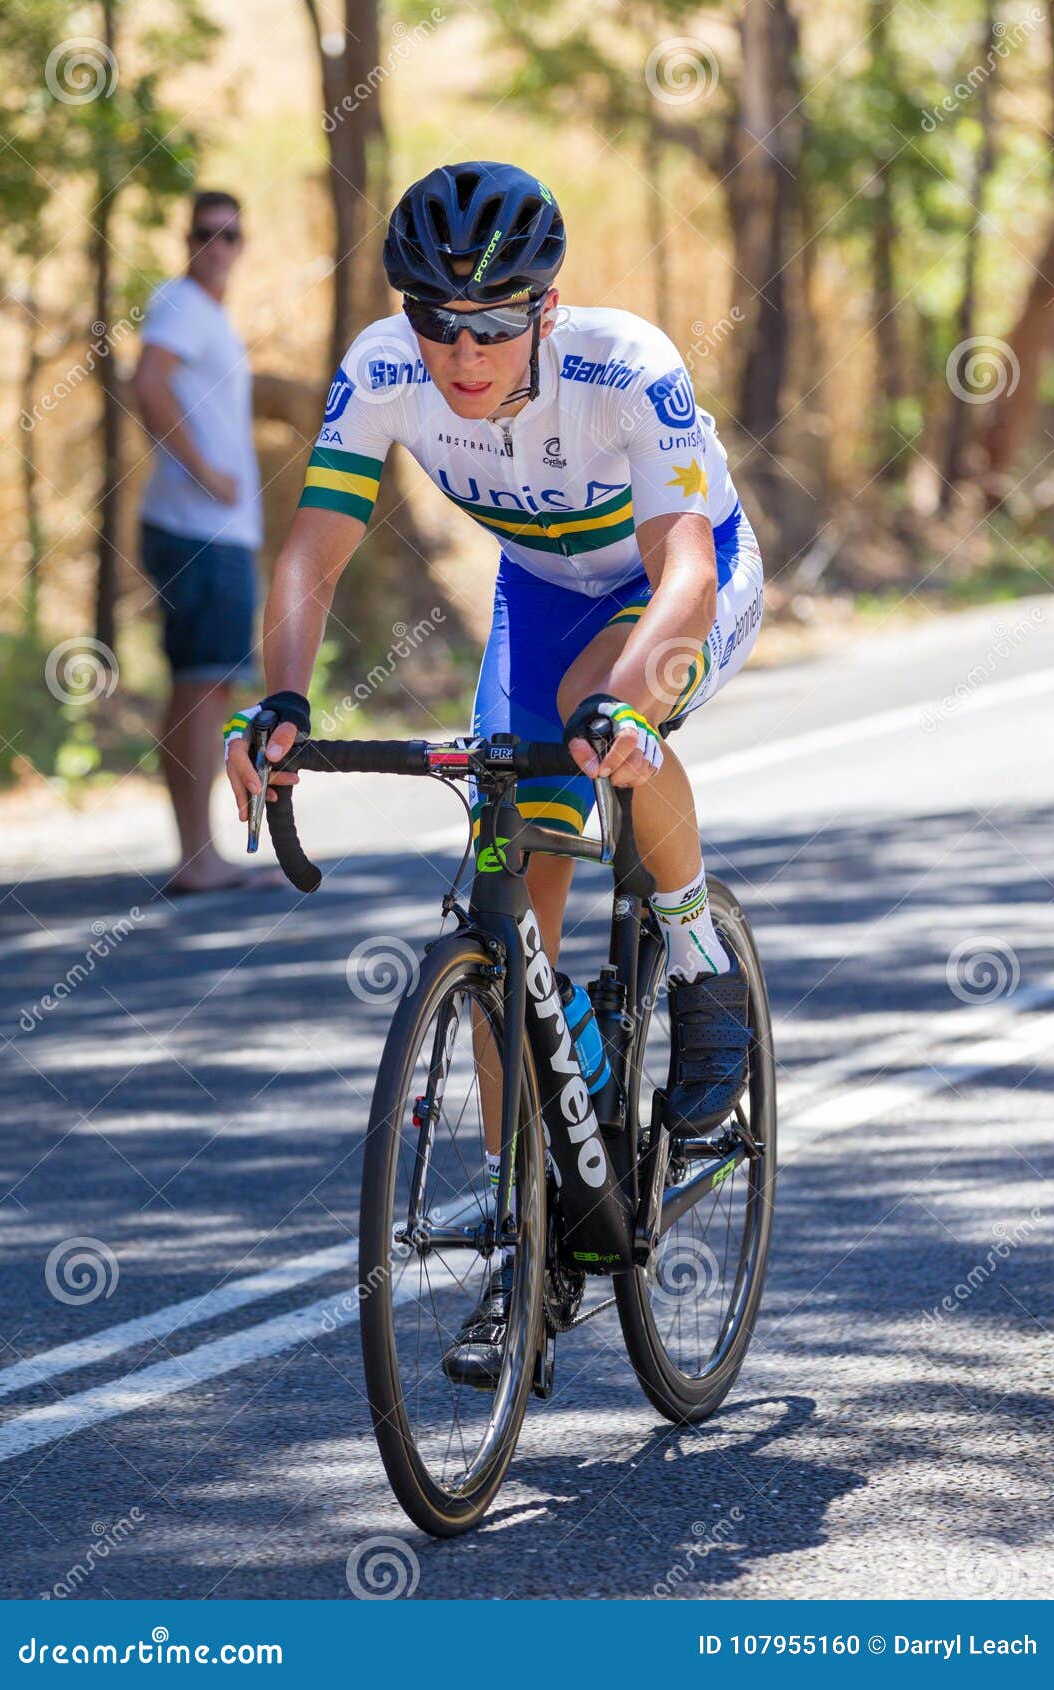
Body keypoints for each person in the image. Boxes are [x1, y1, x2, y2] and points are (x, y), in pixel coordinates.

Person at [225, 161, 764, 1382]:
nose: (458, 354)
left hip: (681, 577)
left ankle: (693, 949)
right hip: (540, 589)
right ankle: (526, 1231)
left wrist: (630, 709)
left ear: (545, 308)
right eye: (434, 322)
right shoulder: (380, 370)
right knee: (510, 897)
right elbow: (313, 547)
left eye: (488, 325)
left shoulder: (622, 365)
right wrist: (283, 704)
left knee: (600, 726)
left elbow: (681, 561)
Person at [134, 189, 274, 894]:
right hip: (195, 529)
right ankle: (197, 858)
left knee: (211, 684)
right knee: (201, 685)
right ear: (186, 238)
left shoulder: (207, 314)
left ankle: (199, 852)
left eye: (229, 235)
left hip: (216, 530)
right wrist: (202, 472)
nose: (216, 247)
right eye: (204, 234)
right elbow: (147, 383)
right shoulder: (181, 304)